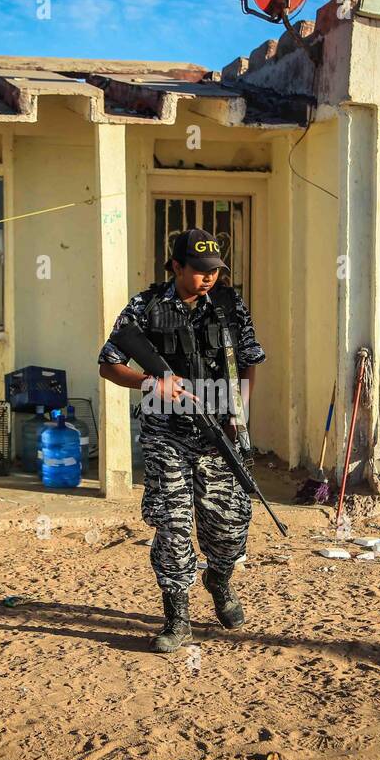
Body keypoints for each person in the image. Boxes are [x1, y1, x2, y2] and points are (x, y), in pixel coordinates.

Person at [98, 228, 265, 652]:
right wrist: (152, 382)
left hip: (220, 431)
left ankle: (219, 579)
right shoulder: (145, 306)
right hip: (165, 434)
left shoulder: (229, 305)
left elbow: (248, 362)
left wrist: (239, 413)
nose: (208, 279)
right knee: (171, 526)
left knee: (228, 527)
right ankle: (177, 618)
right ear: (175, 266)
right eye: (199, 271)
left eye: (214, 271)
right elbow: (109, 364)